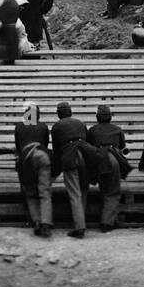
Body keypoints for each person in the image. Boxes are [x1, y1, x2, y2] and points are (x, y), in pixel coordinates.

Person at [51, 101, 91, 237]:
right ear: (70, 112)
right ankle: (82, 220)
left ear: (58, 113)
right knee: (84, 189)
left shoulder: (56, 126)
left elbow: (56, 151)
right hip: (85, 155)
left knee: (75, 192)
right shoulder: (81, 123)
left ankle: (79, 227)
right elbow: (88, 140)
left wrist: (55, 170)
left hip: (69, 157)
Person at [87, 104, 130, 232]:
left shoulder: (92, 130)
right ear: (110, 117)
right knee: (113, 191)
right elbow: (122, 146)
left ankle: (111, 218)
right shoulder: (117, 129)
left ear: (97, 117)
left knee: (104, 189)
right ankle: (107, 223)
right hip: (112, 158)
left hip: (98, 159)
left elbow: (89, 146)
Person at [15, 103, 54, 237]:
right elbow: (45, 143)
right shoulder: (43, 126)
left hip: (27, 158)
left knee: (31, 193)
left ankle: (36, 221)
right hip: (41, 155)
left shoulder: (19, 126)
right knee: (45, 191)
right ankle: (46, 224)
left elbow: (19, 147)